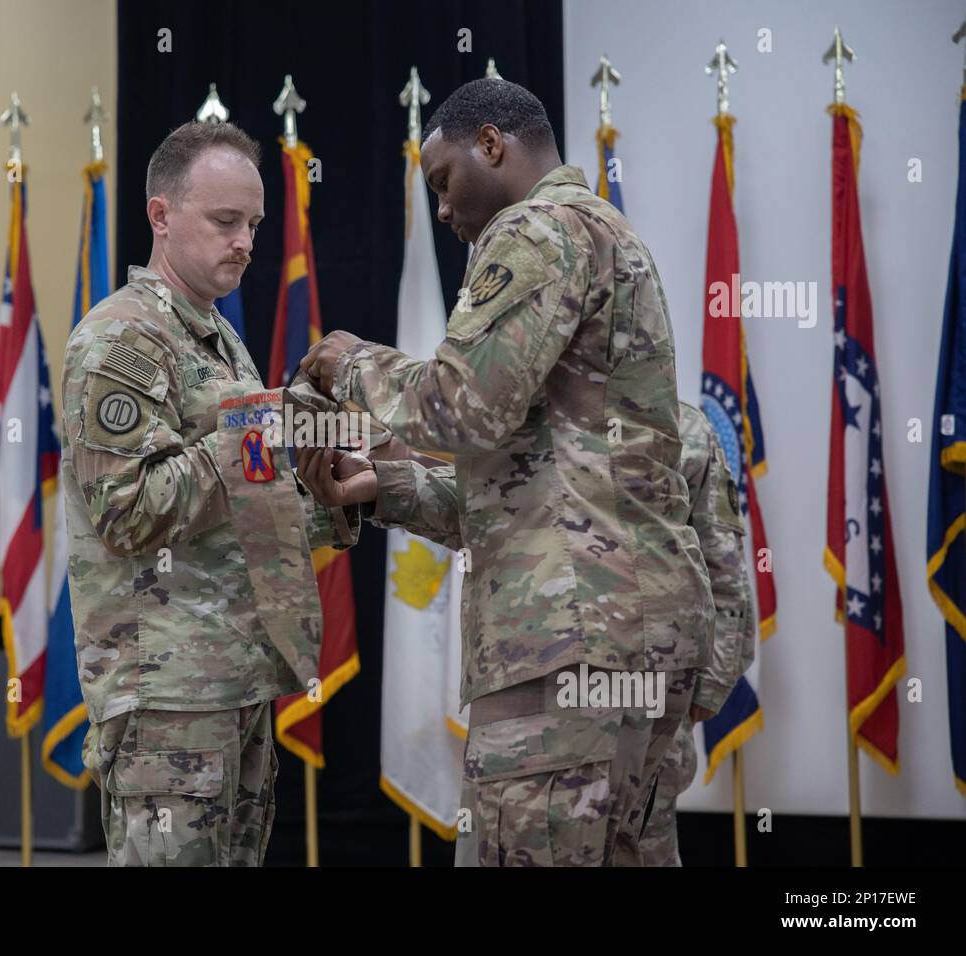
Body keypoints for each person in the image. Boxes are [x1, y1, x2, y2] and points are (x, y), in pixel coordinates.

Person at [297, 77, 714, 866]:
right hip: (640, 651)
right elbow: (540, 493)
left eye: (444, 181)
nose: (445, 210)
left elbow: (461, 408)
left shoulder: (536, 230)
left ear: (492, 144)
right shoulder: (608, 234)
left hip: (561, 652)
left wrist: (349, 362)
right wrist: (382, 487)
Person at [59, 121, 358, 867]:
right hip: (168, 697)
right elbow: (125, 513)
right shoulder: (121, 343)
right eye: (226, 221)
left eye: (254, 224)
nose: (246, 241)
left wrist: (332, 497)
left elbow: (237, 509)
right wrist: (247, 435)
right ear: (161, 215)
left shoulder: (217, 339)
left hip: (235, 681)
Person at [637, 401, 756, 866]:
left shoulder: (682, 427)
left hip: (650, 720)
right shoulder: (523, 412)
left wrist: (707, 687)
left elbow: (724, 570)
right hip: (542, 719)